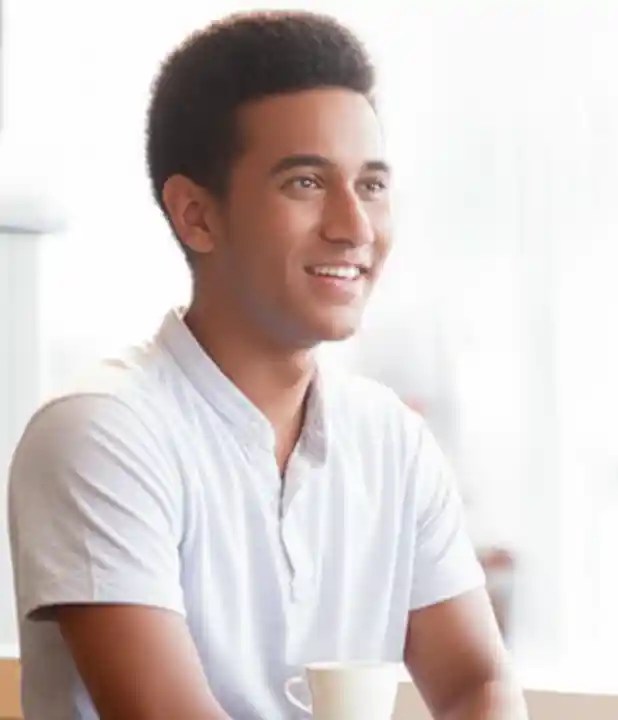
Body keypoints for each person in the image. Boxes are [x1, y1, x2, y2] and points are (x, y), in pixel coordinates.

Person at [7, 11, 525, 720]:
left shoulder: (391, 442)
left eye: (371, 185)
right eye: (307, 183)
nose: (354, 225)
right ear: (196, 215)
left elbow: (477, 685)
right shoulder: (102, 432)